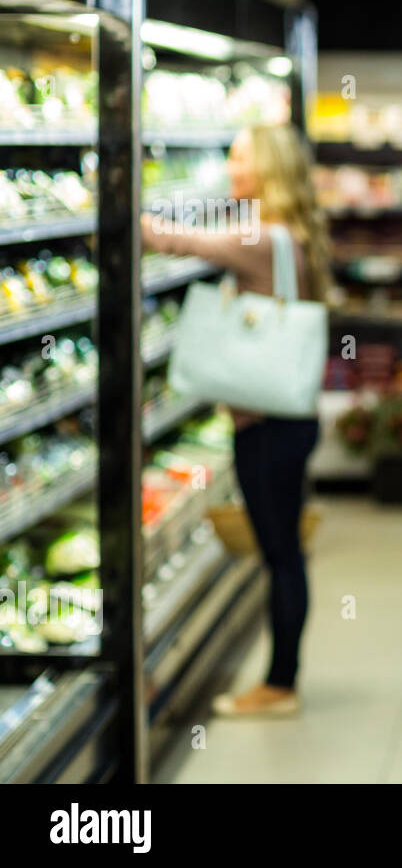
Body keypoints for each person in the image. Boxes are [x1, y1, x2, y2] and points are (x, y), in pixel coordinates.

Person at [141, 124, 332, 718]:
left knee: (279, 556)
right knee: (284, 555)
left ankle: (279, 686)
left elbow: (169, 240)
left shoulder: (262, 236)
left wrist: (116, 200)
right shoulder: (296, 232)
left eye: (241, 156)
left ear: (267, 168)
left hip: (267, 426)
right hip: (289, 421)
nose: (230, 164)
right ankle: (283, 679)